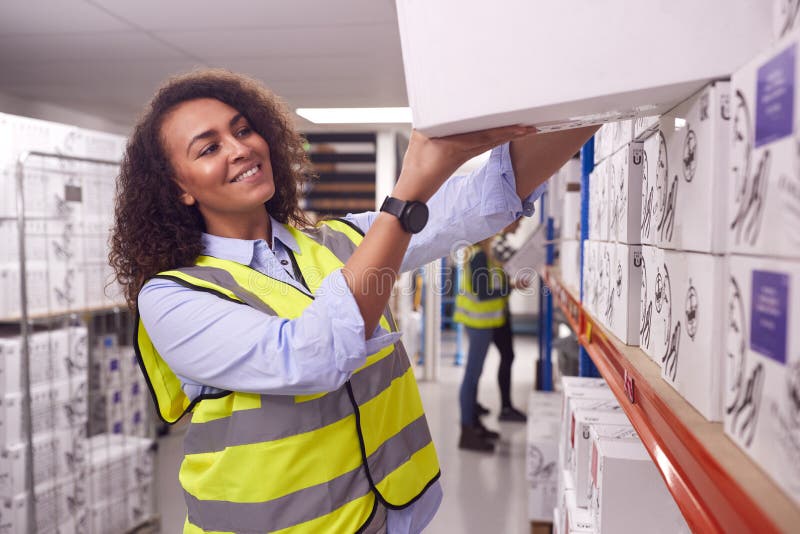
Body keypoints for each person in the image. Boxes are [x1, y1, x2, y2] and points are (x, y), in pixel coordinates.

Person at [109, 68, 596, 533]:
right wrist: (408, 193)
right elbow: (311, 354)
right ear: (180, 188)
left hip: (384, 513)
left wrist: (604, 97)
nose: (239, 149)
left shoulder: (339, 241)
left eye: (242, 130)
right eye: (210, 147)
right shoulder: (172, 296)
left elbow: (485, 198)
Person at [453, 220, 528, 453]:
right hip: (479, 323)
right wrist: (512, 287)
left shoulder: (485, 255)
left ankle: (474, 425)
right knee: (471, 377)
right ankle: (467, 431)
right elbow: (483, 293)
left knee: (474, 375)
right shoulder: (477, 256)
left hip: (484, 323)